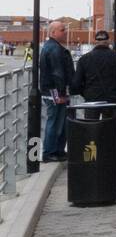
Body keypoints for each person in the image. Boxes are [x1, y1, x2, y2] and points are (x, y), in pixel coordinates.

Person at [39, 21, 75, 163]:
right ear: (53, 32)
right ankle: (50, 152)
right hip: (54, 91)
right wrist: (60, 93)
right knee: (54, 121)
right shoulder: (54, 49)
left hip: (52, 90)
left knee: (60, 121)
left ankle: (57, 150)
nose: (65, 31)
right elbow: (57, 73)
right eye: (62, 29)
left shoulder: (53, 47)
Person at [71, 30, 116, 107]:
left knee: (91, 119)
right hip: (112, 99)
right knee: (111, 119)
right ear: (108, 41)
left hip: (91, 99)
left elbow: (77, 81)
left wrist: (85, 93)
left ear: (95, 41)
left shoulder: (84, 59)